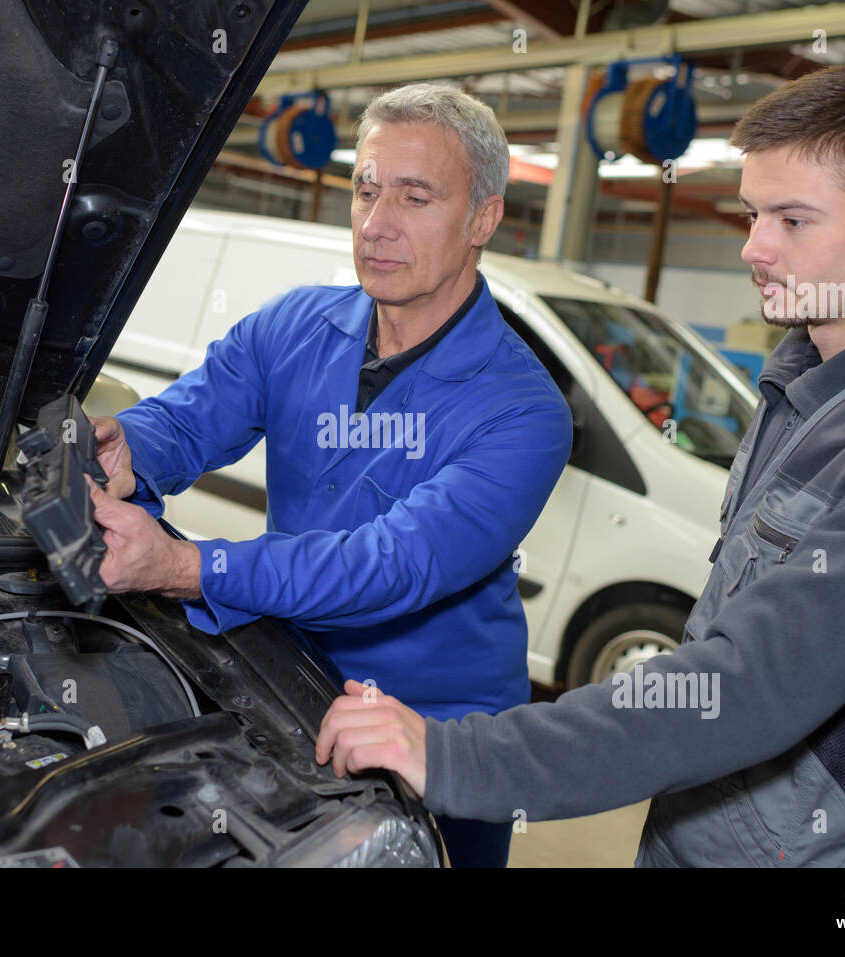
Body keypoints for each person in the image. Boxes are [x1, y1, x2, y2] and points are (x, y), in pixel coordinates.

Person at [314, 64, 845, 866]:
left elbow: (748, 681)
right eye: (755, 213)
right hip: (701, 829)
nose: (754, 247)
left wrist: (456, 758)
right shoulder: (804, 383)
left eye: (792, 220)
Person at [86, 83, 573, 867]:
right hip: (287, 687)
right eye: (366, 191)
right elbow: (186, 420)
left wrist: (187, 566)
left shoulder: (523, 413)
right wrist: (128, 447)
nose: (377, 226)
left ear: (483, 218)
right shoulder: (294, 326)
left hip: (440, 743)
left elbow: (392, 562)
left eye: (415, 198)